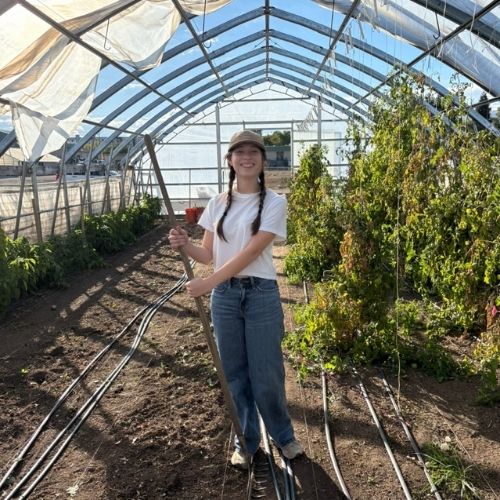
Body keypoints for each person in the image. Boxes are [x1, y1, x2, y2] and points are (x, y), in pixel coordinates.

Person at [168, 130, 303, 469]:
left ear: (262, 160)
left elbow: (251, 252)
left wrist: (208, 283)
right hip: (226, 298)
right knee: (234, 373)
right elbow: (208, 254)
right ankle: (246, 440)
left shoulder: (274, 201)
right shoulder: (218, 203)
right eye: (239, 152)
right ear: (229, 160)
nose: (246, 157)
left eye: (253, 152)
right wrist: (185, 243)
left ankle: (283, 436)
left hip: (260, 294)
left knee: (266, 372)